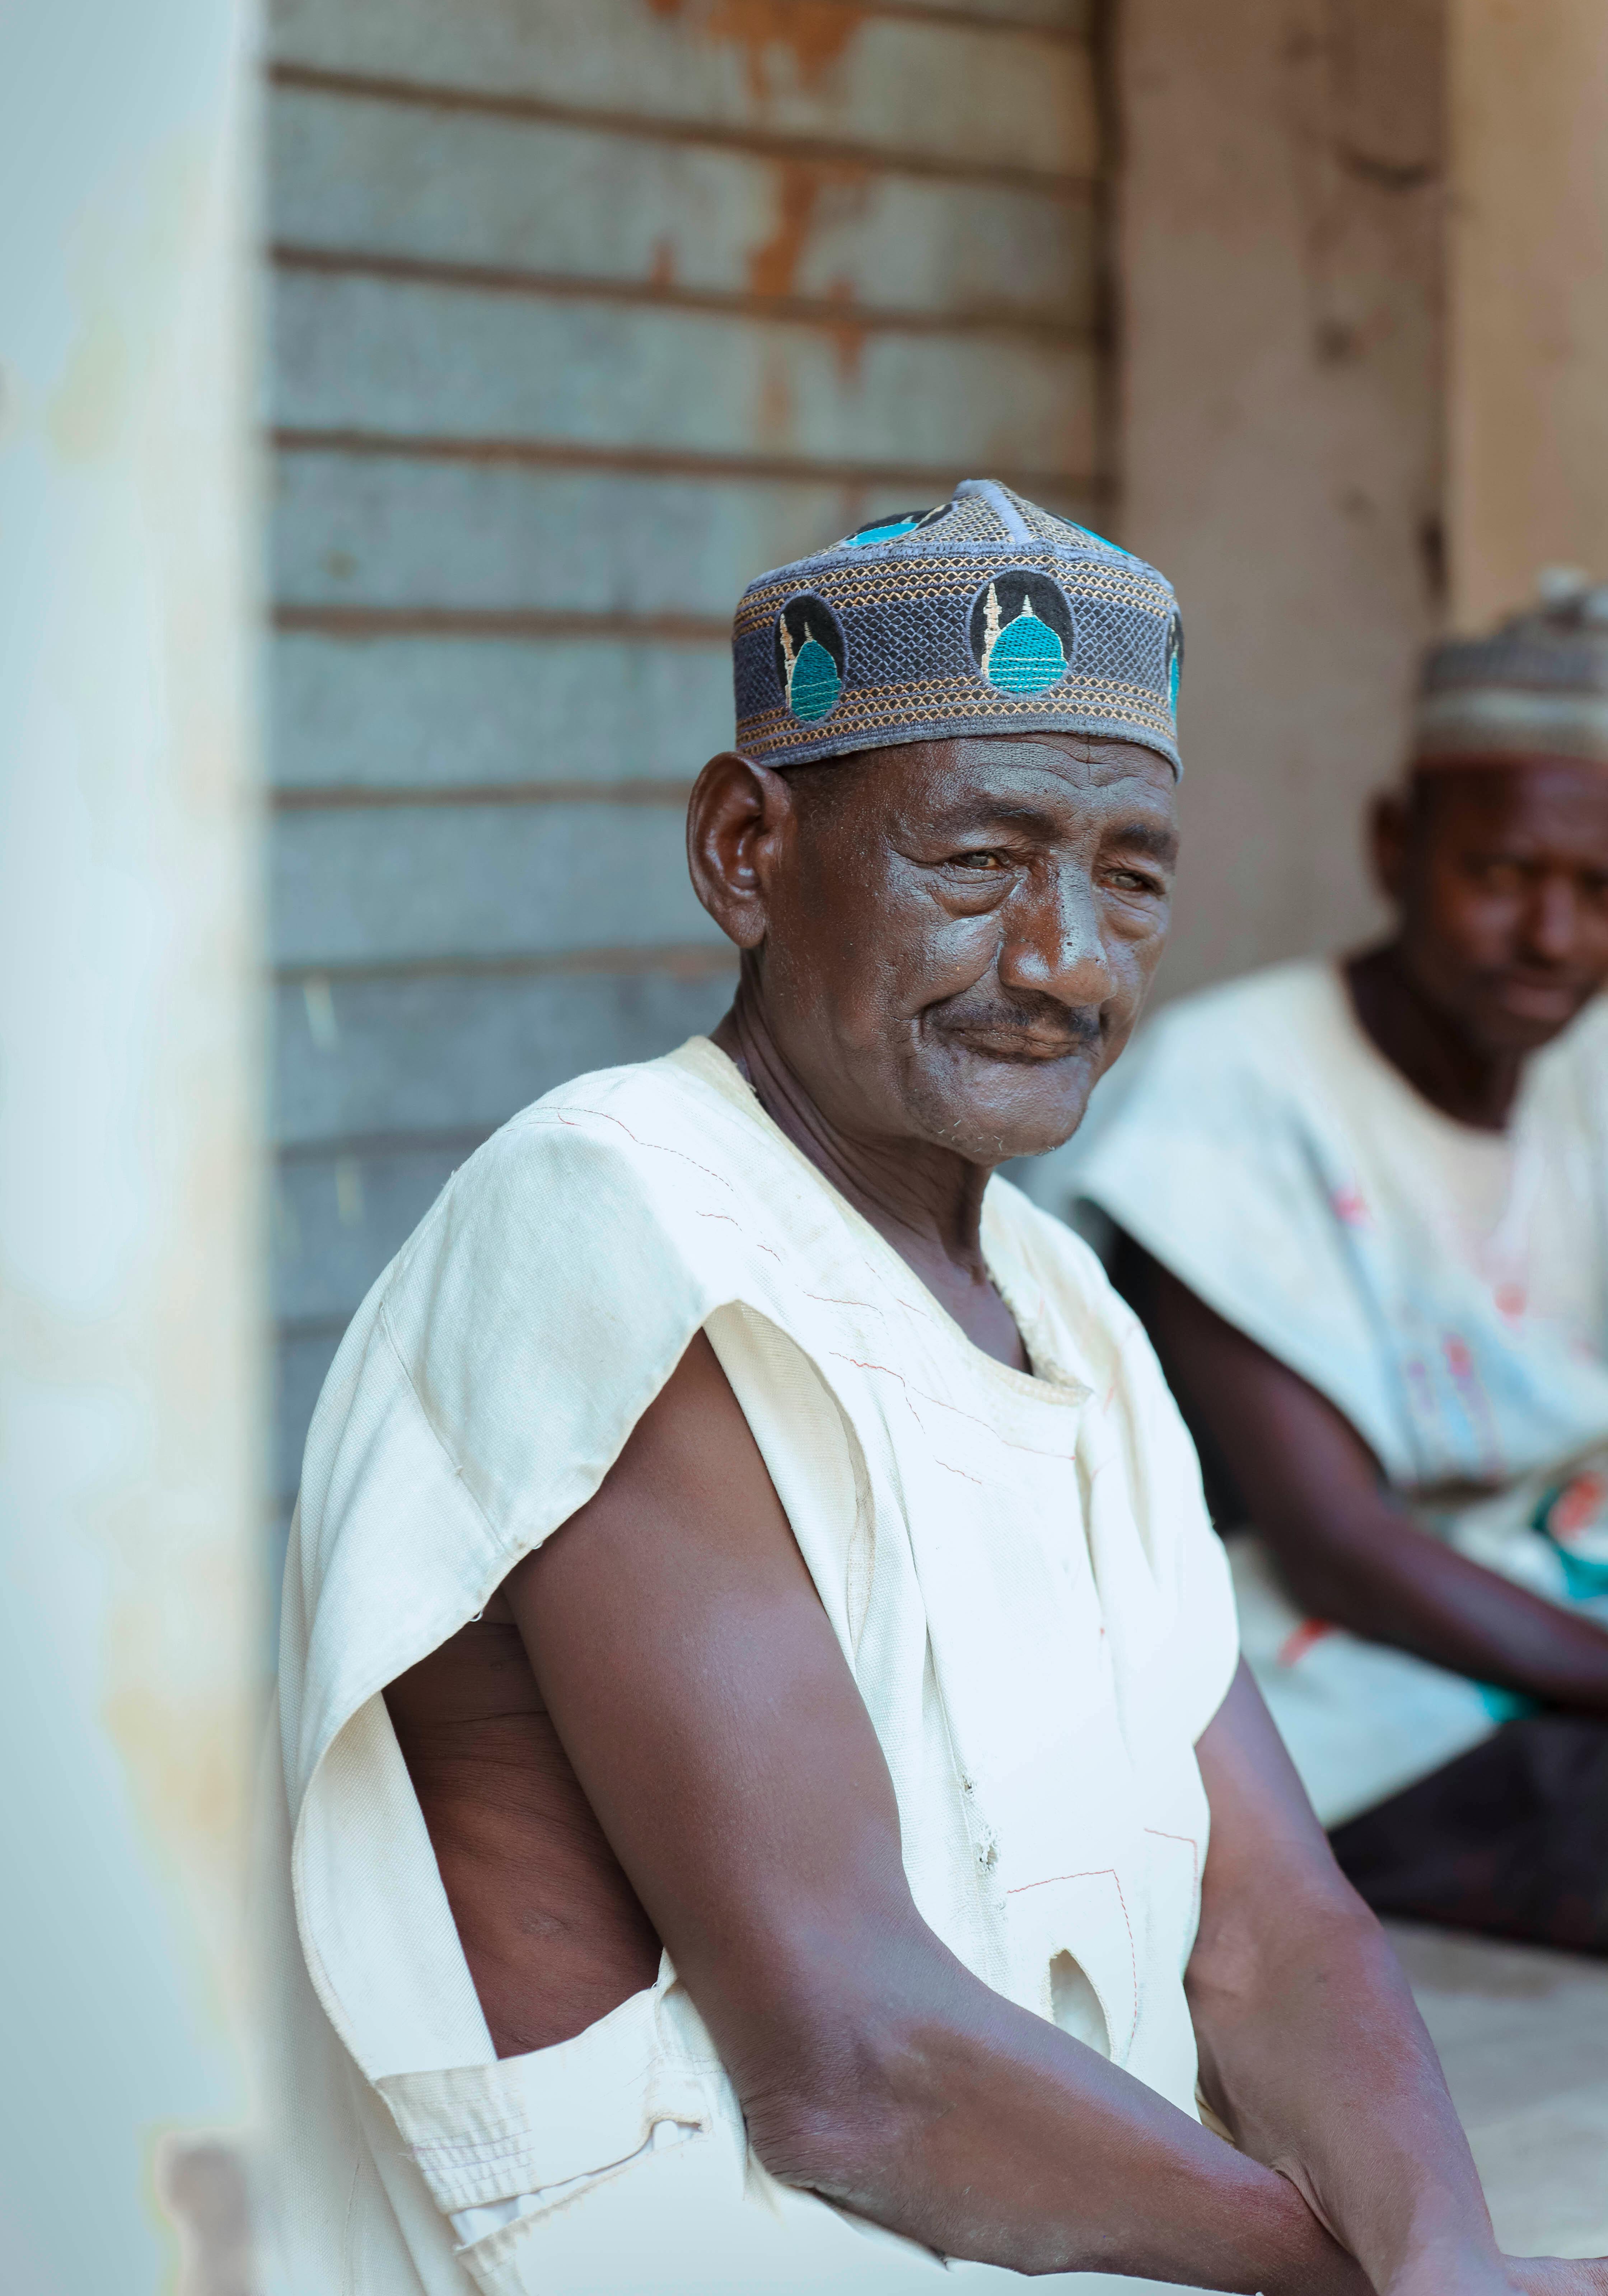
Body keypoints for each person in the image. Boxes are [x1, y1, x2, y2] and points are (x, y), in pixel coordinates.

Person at [257, 486, 1604, 2296]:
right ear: (746, 849)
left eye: (1129, 877)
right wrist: (1359, 2279)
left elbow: (1276, 1928)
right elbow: (852, 2071)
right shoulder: (609, 1217)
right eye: (977, 860)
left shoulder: (1057, 1298)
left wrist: (1445, 2262)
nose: (1062, 961)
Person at [1025, 582, 1608, 1955]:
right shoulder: (1228, 1093)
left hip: (1543, 1597)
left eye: (1598, 893)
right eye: (1503, 875)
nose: (1552, 938)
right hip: (1335, 1668)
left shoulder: (1582, 1074)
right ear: (1396, 848)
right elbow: (1338, 1548)